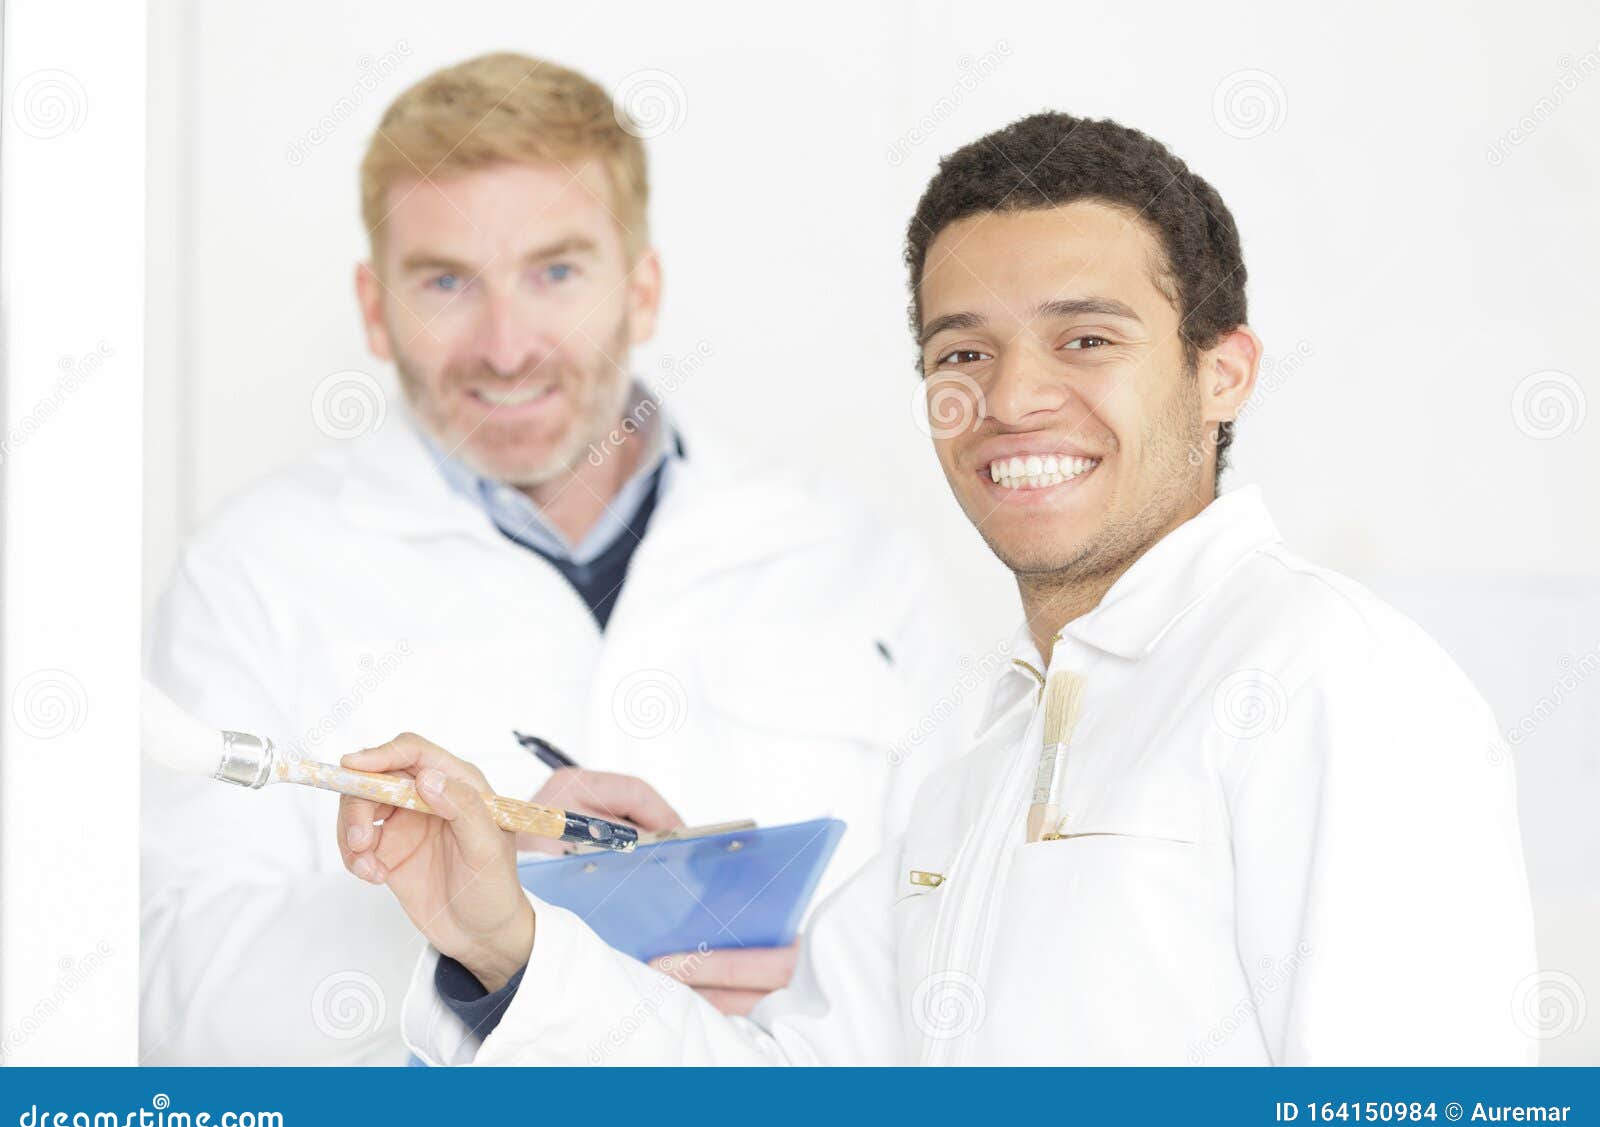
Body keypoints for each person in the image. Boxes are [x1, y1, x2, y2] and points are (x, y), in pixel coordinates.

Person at [343, 111, 1541, 1065]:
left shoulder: (1327, 678)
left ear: (1222, 371)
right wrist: (505, 941)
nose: (1012, 398)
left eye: (1085, 339)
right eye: (962, 352)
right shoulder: (979, 762)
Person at [142, 53, 969, 1065]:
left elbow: (964, 946)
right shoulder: (249, 574)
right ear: (373, 303)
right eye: (446, 280)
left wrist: (804, 987)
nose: (504, 345)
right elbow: (168, 992)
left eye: (556, 272)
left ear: (643, 286)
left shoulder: (856, 563)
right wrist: (478, 915)